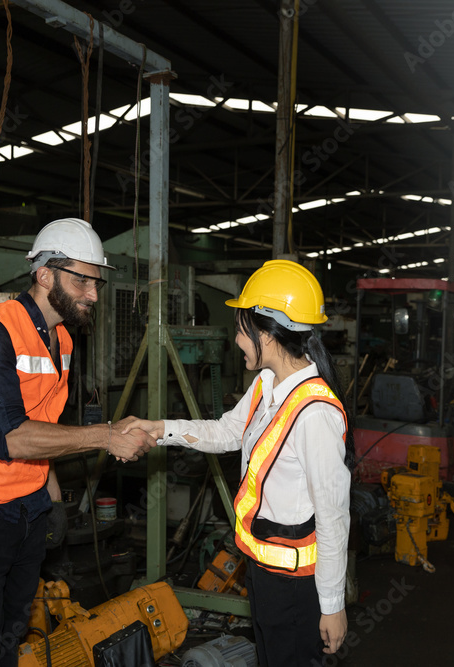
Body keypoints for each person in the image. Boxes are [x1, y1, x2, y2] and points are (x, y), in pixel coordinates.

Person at [0, 218, 155, 667]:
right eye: (81, 281)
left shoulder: (64, 339)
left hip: (27, 505)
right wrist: (107, 436)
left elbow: (43, 421)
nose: (93, 294)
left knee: (12, 633)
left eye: (96, 282)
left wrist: (49, 493)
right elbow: (12, 436)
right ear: (45, 275)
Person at [122, 260, 354, 667]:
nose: (236, 340)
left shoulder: (315, 413)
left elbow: (334, 518)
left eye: (240, 330)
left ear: (266, 332)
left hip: (298, 590)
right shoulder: (268, 384)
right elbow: (227, 432)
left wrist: (333, 606)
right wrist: (158, 428)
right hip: (262, 574)